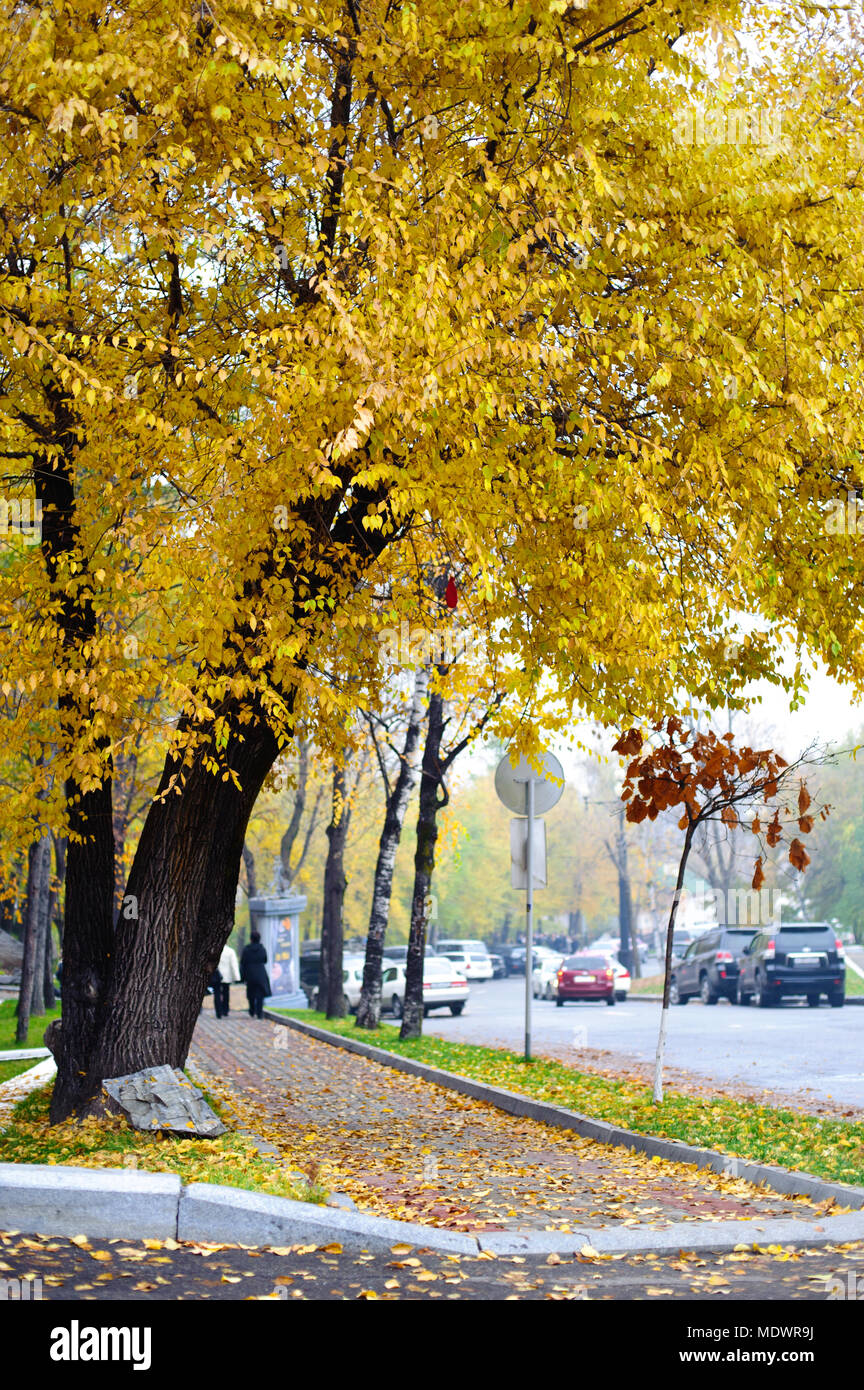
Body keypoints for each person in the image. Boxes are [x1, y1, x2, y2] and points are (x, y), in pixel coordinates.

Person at [240, 931, 271, 1019]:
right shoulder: (262, 949)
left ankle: (252, 1010)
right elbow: (265, 960)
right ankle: (259, 1012)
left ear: (251, 939)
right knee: (260, 994)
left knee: (251, 993)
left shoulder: (246, 949)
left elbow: (243, 962)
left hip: (249, 973)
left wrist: (243, 976)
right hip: (260, 973)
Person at [214, 941, 241, 1018]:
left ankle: (218, 1012)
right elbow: (234, 965)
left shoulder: (216, 950)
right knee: (226, 993)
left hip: (217, 976)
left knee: (217, 994)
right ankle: (225, 1010)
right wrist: (237, 977)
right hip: (226, 976)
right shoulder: (230, 951)